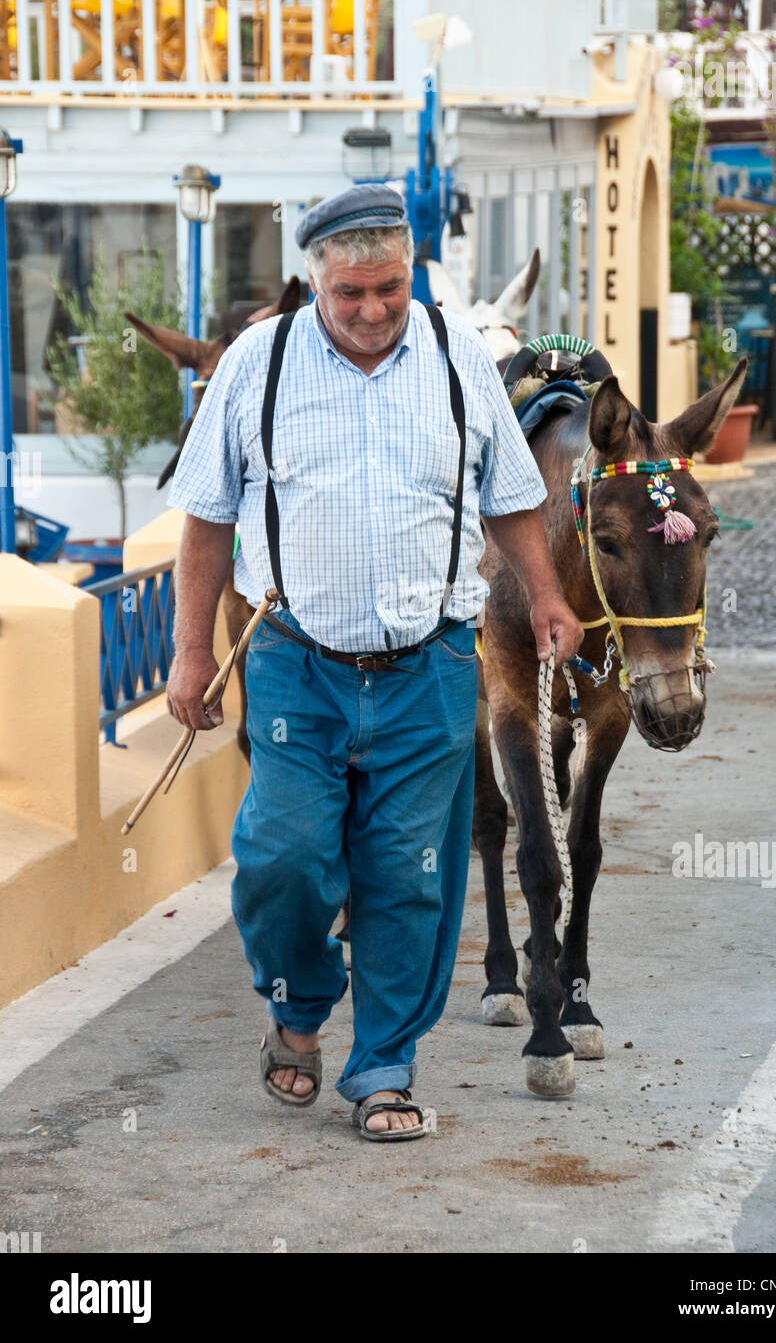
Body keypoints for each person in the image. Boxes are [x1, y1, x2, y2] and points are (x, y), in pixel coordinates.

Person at [165, 183, 583, 1142]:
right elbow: (205, 519)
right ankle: (299, 1010)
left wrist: (550, 595)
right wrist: (193, 653)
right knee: (283, 857)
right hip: (291, 664)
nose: (370, 311)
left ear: (411, 273)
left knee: (410, 873)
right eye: (348, 293)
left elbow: (510, 497)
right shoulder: (255, 366)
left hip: (428, 663)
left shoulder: (455, 357)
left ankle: (385, 1067)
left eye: (388, 288)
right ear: (316, 281)